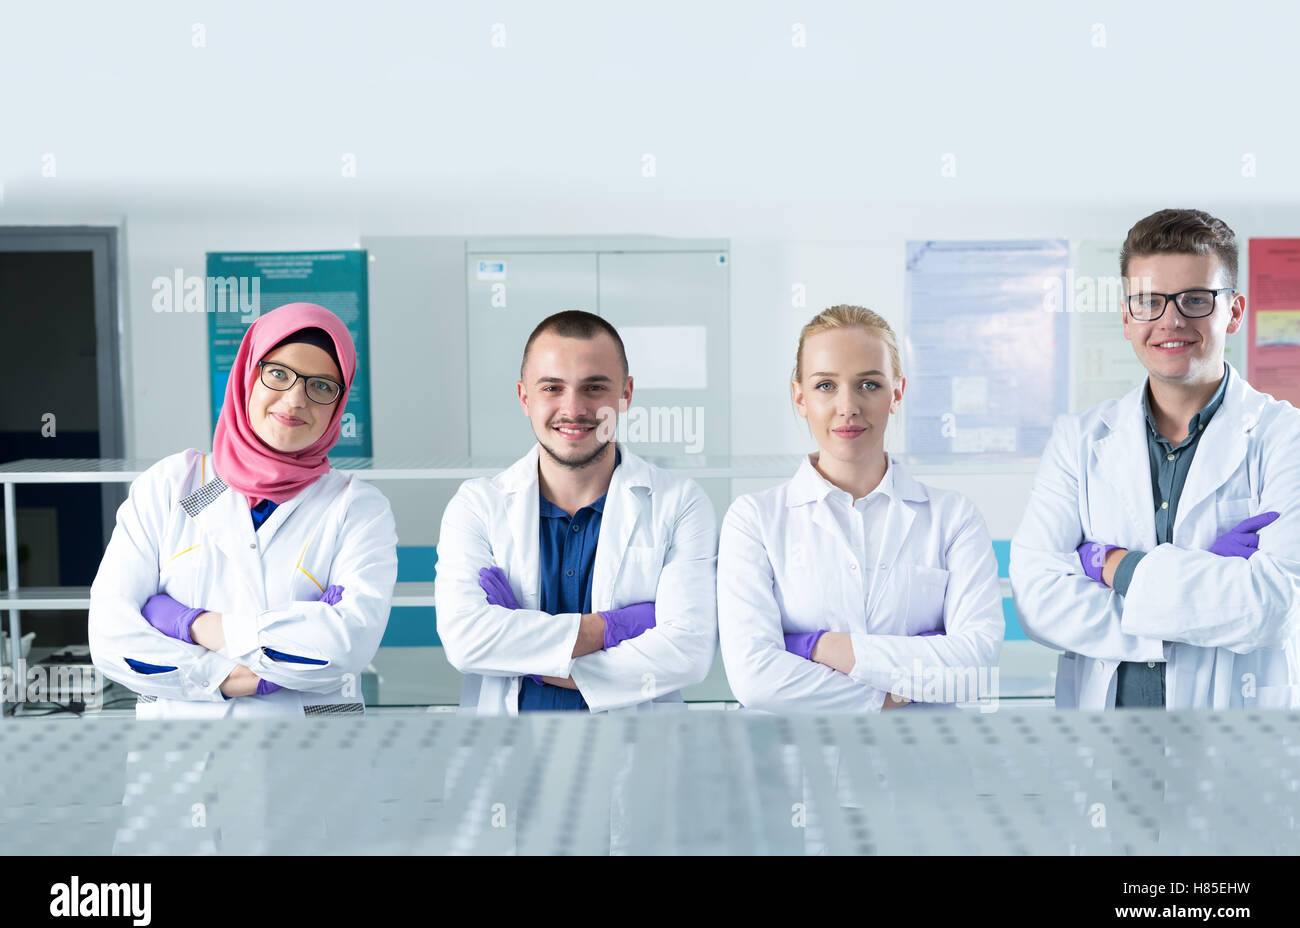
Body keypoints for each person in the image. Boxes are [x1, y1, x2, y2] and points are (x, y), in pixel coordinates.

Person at [1011, 209, 1300, 709]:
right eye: (1149, 301)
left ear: (1233, 311)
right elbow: (1038, 602)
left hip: (1233, 750)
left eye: (1195, 299)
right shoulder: (1077, 441)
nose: (1171, 320)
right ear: (1126, 316)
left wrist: (1119, 569)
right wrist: (1204, 588)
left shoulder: (1286, 438)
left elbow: (1278, 607)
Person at [89, 302, 398, 719]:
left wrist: (190, 624)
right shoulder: (175, 487)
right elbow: (111, 637)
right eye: (278, 373)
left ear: (338, 404)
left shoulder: (355, 507)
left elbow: (346, 646)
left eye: (321, 386)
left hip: (315, 761)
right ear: (247, 374)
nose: (294, 400)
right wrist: (241, 676)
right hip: (184, 762)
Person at [718, 304, 1004, 713]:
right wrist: (895, 690)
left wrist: (819, 647)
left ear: (897, 393)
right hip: (797, 766)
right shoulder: (754, 520)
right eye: (825, 386)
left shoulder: (953, 517)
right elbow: (755, 678)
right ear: (799, 397)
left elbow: (974, 665)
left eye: (868, 385)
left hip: (921, 764)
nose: (847, 406)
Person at [435, 309, 717, 715]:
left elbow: (687, 652)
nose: (574, 408)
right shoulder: (477, 506)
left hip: (638, 759)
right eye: (552, 387)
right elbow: (466, 641)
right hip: (507, 756)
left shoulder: (680, 503)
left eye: (594, 387)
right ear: (524, 397)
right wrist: (612, 628)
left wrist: (523, 652)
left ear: (626, 394)